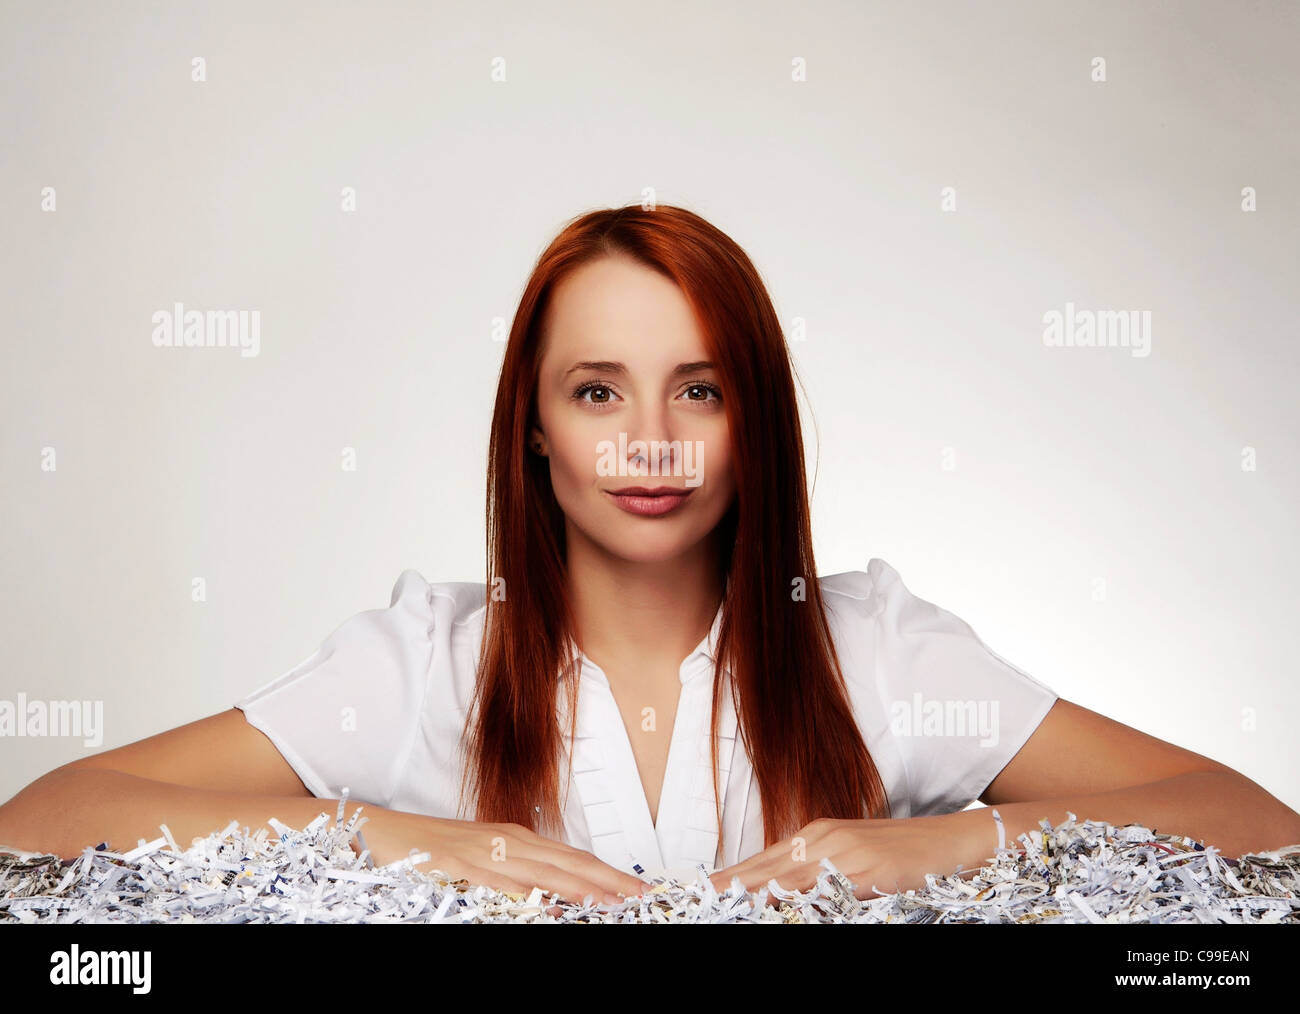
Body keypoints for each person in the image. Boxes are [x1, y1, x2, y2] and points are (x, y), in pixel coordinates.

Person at [3, 205, 1298, 907]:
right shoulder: (424, 667)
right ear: (535, 426)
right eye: (599, 393)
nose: (653, 444)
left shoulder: (877, 654)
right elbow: (45, 819)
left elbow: (1254, 823)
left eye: (700, 390)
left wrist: (950, 845)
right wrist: (401, 839)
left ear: (757, 424)